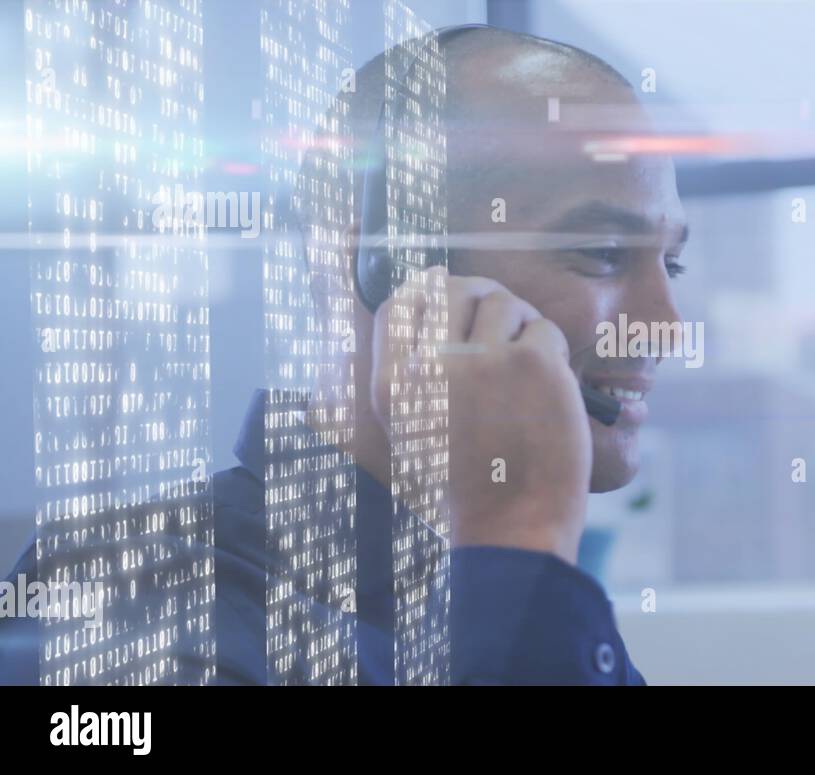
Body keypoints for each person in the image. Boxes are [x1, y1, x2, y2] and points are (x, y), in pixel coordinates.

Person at [0, 25, 687, 685]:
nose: (665, 327)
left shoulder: (509, 583)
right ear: (393, 263)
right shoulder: (121, 599)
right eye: (602, 253)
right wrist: (518, 553)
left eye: (673, 266)